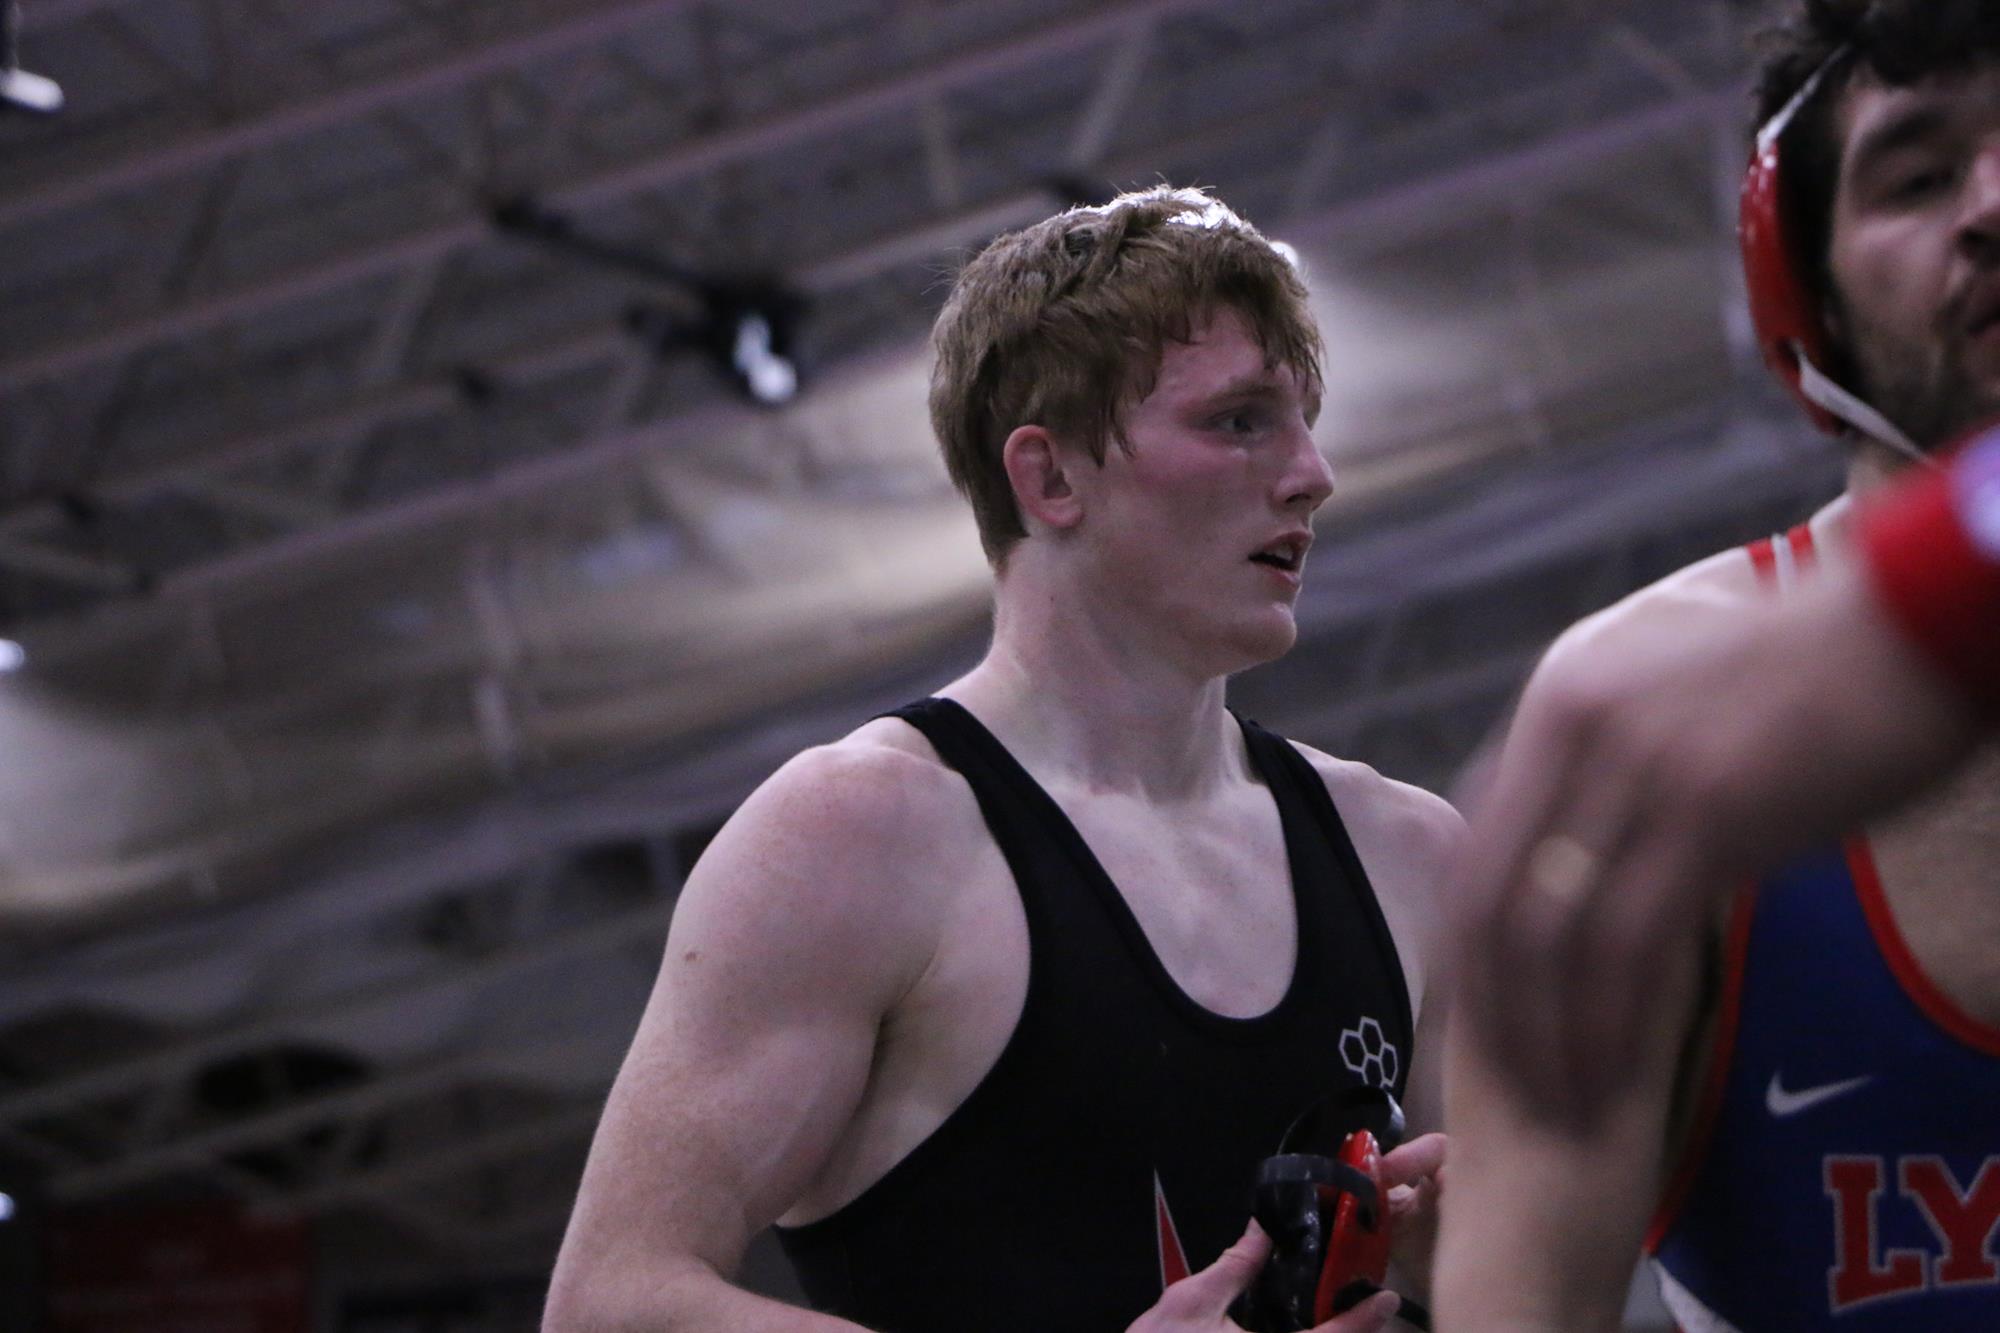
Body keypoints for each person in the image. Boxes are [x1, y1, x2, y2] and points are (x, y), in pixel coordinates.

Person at [541, 186, 1457, 1333]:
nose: (1310, 473)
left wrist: (1468, 1269)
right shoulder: (857, 838)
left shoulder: (1408, 855)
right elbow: (608, 1305)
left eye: (1305, 420)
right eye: (1239, 421)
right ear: (1051, 478)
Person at [1434, 4, 2000, 1330]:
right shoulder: (1650, 723)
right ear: (1806, 294)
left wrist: (1929, 593)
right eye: (1918, 174)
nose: (1995, 204)